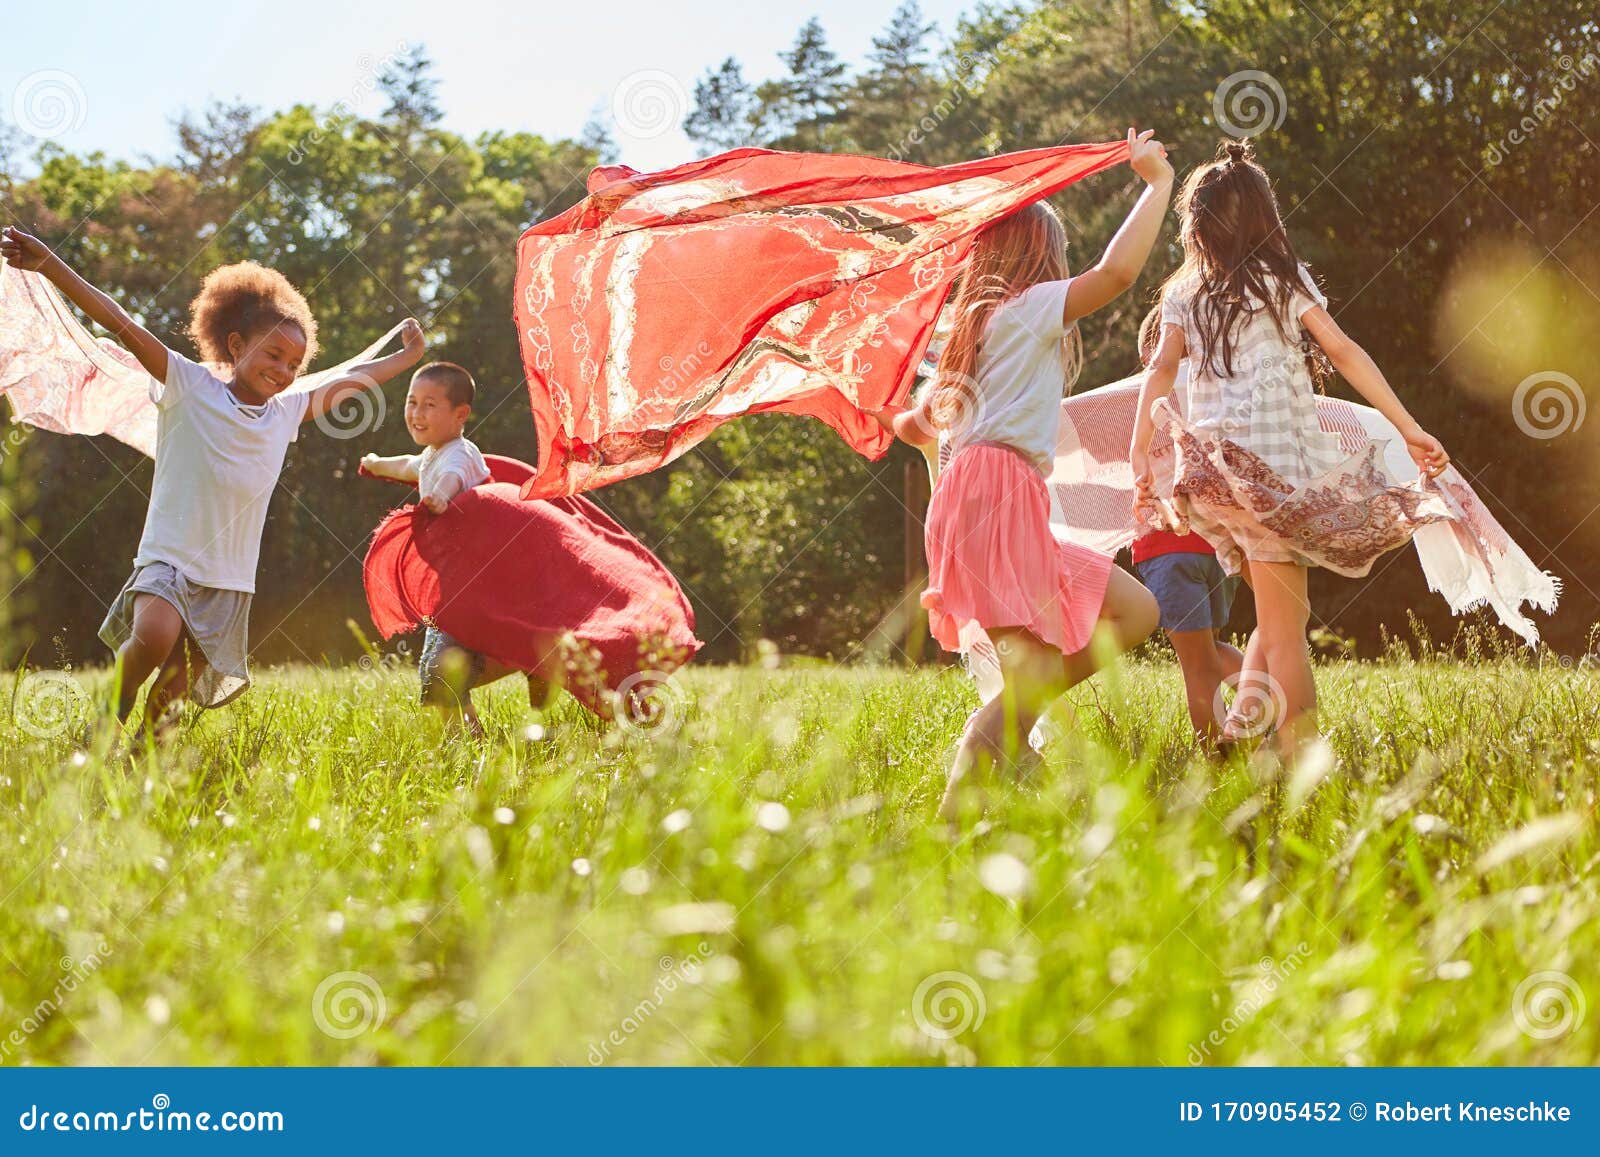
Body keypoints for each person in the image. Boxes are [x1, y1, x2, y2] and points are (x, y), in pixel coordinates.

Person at [0, 225, 426, 734]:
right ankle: (114, 704)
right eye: (272, 355)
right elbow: (118, 322)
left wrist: (407, 358)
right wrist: (49, 264)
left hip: (229, 577)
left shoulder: (285, 414)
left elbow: (349, 381)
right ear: (236, 344)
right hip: (169, 559)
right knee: (155, 636)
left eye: (294, 363)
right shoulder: (189, 384)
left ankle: (146, 746)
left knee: (184, 681)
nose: (284, 371)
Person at [1129, 140, 1450, 751]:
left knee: (1284, 619)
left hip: (1213, 481)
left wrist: (1141, 453)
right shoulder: (1282, 280)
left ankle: (1236, 734)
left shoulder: (1182, 292)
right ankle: (1302, 758)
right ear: (1264, 216)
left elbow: (1159, 372)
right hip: (1269, 481)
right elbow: (1344, 351)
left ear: (1196, 224)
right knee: (1286, 632)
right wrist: (1409, 426)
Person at [892, 128, 1172, 820]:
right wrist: (1158, 185)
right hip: (998, 491)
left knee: (1131, 613)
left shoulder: (975, 326)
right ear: (1037, 259)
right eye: (1059, 256)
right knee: (1059, 659)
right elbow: (1117, 277)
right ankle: (967, 790)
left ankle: (1012, 754)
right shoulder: (1024, 309)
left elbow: (915, 424)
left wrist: (930, 433)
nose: (1065, 268)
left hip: (985, 493)